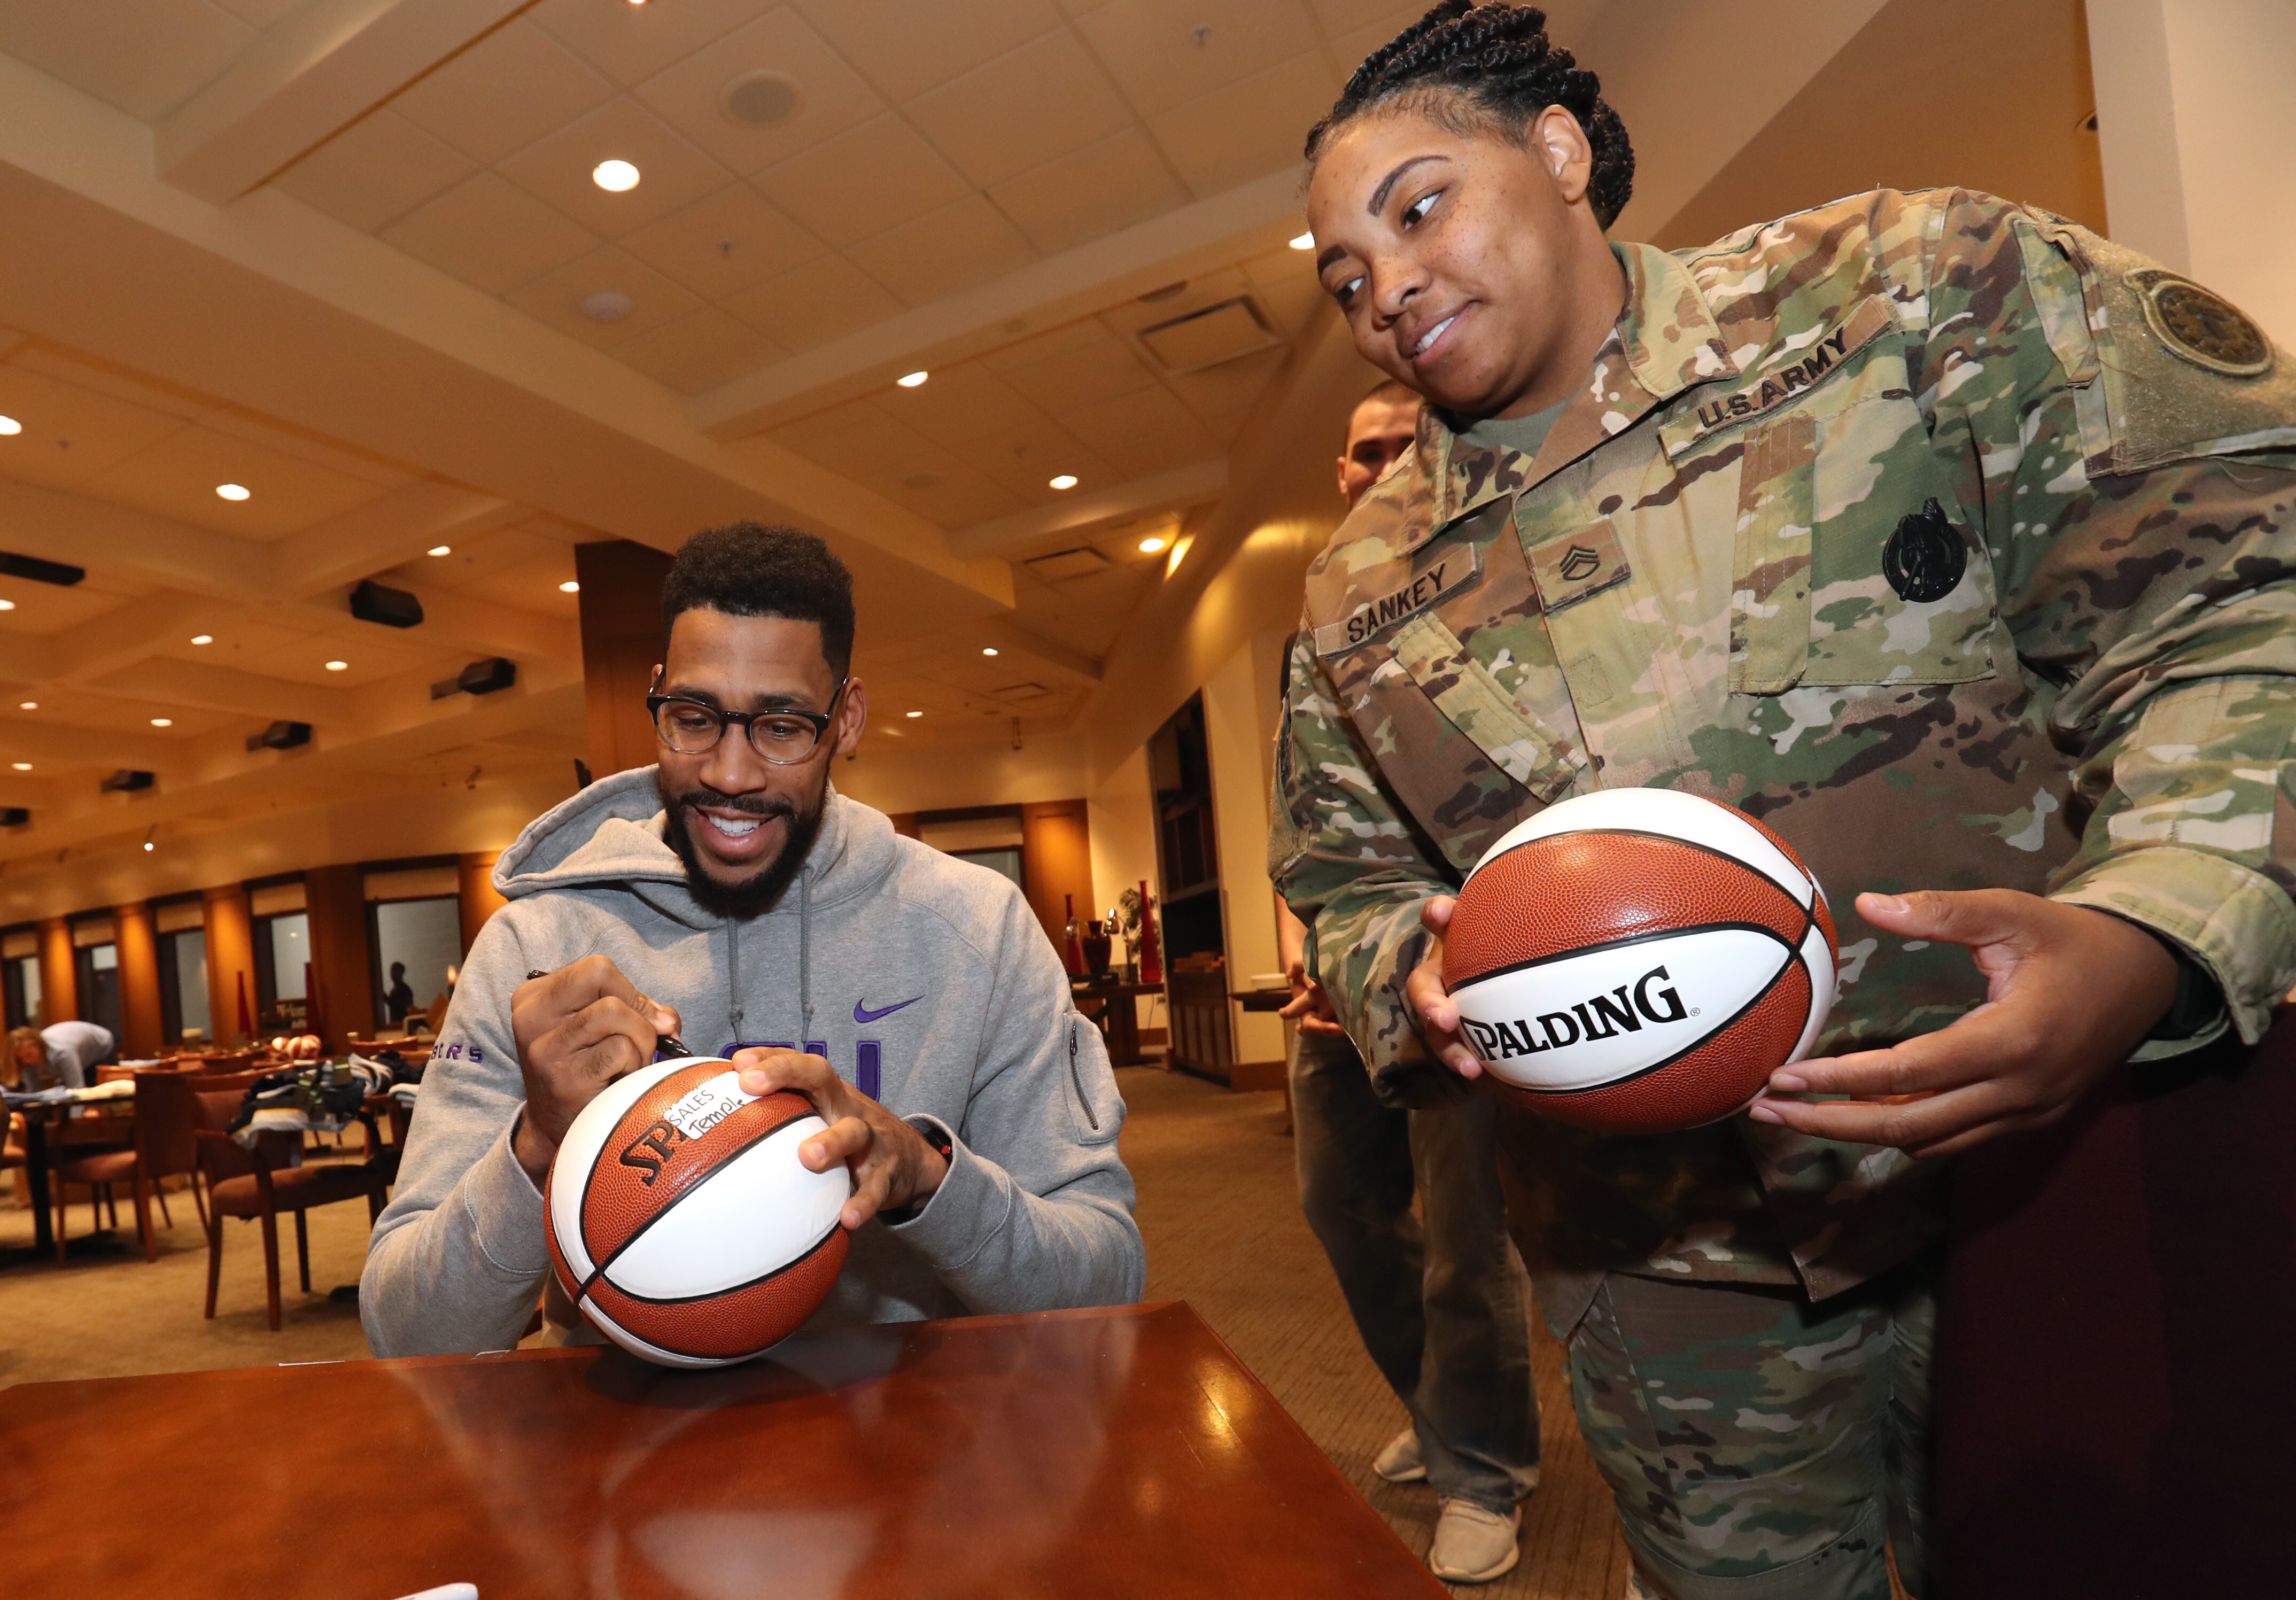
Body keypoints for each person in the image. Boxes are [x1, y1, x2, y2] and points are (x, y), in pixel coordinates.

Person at [1274, 5, 2296, 1597]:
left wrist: (2155, 930)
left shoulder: (1911, 293)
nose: (1385, 285)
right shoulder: (1352, 590)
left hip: (2036, 1176)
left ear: (1556, 153)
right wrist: (1406, 988)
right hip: (1668, 1272)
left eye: (1416, 207)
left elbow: (2239, 598)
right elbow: (1341, 882)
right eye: (1343, 275)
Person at [363, 524, 1144, 1357]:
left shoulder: (978, 931)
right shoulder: (536, 947)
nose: (731, 774)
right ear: (657, 697)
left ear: (845, 720)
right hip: (612, 1442)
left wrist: (928, 1177)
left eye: (780, 726)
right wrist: (537, 1145)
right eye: (695, 717)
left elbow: (1106, 1282)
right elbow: (406, 1336)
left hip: (914, 1436)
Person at [1274, 377, 1541, 1585]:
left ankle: (1482, 1468)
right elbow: (1307, 815)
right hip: (1331, 975)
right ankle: (1440, 1409)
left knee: (1462, 1239)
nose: (1368, 463)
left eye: (1392, 442)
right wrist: (1301, 938)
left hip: (1458, 971)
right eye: (1353, 449)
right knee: (1340, 1205)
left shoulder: (1492, 579)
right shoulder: (1319, 612)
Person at [6, 1021, 115, 1092]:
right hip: (79, 1052)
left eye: (29, 1055)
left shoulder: (62, 1052)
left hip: (101, 1048)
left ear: (38, 1046)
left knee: (100, 1099)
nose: (27, 1061)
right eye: (21, 1058)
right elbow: (35, 1095)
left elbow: (78, 1090)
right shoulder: (28, 1061)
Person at [383, 961, 415, 1027]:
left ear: (401, 973)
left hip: (402, 1025)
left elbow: (404, 1008)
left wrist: (388, 1000)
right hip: (398, 1025)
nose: (392, 974)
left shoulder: (405, 990)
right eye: (392, 971)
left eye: (395, 971)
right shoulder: (397, 989)